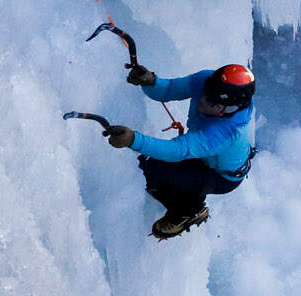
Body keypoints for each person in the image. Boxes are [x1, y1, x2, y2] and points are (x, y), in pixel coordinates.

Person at [99, 61, 257, 239]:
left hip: (220, 176)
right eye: (206, 93)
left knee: (151, 172)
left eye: (211, 101)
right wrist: (151, 82)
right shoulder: (205, 80)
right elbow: (169, 89)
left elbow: (178, 150)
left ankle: (189, 211)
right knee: (150, 165)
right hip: (204, 156)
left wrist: (133, 140)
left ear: (225, 110)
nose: (202, 99)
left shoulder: (225, 132)